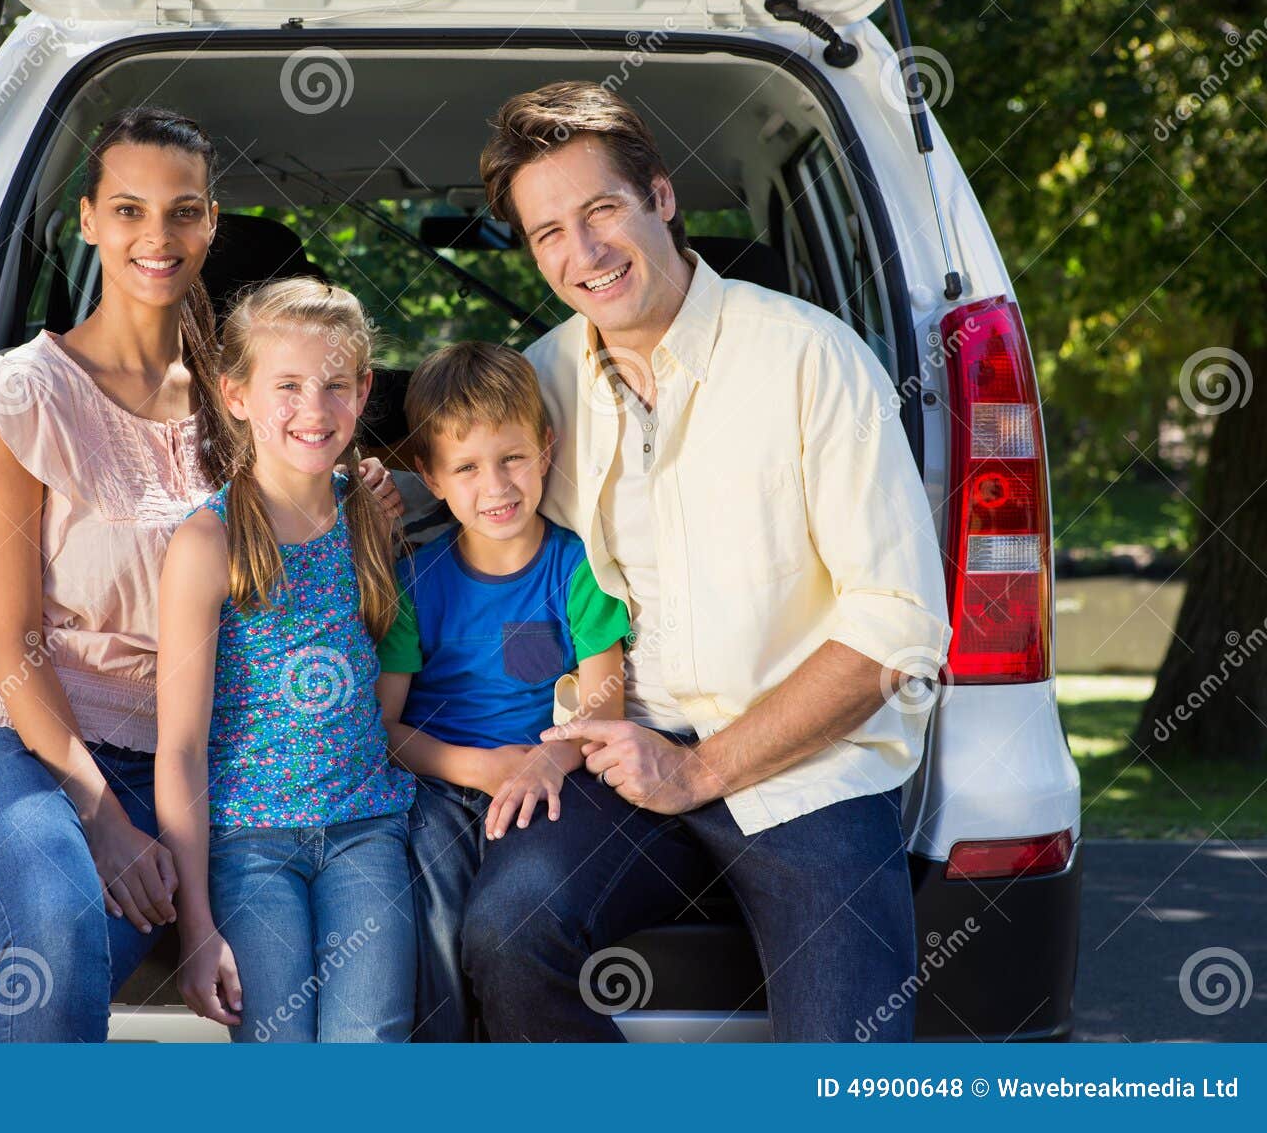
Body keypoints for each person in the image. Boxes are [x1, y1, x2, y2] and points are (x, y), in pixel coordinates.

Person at [454, 81, 954, 1041]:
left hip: (808, 769)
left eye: (602, 209)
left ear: (662, 197)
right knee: (505, 932)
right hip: (619, 761)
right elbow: (497, 540)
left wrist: (699, 771)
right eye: (549, 231)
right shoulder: (543, 382)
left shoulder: (810, 358)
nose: (585, 252)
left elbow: (898, 624)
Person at [0, 107, 400, 1042]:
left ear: (211, 223)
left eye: (183, 211)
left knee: (112, 944)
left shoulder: (243, 401)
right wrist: (100, 815)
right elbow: (14, 643)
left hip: (192, 766)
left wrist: (361, 494)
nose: (159, 236)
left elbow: (308, 520)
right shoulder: (21, 393)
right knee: (62, 929)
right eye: (131, 209)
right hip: (26, 746)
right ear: (91, 221)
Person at [155, 277, 417, 1043]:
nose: (315, 408)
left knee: (368, 1045)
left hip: (366, 828)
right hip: (248, 843)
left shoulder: (371, 510)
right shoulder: (209, 543)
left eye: (337, 385)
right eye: (288, 386)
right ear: (235, 394)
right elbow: (179, 745)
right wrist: (195, 922)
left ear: (364, 390)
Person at [373, 341, 632, 1042]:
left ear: (546, 449)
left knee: (520, 909)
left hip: (553, 777)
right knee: (430, 892)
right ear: (429, 474)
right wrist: (474, 768)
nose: (497, 486)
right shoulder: (417, 582)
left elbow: (604, 699)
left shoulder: (576, 567)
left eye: (512, 457)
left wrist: (551, 760)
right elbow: (385, 728)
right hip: (444, 782)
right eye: (466, 467)